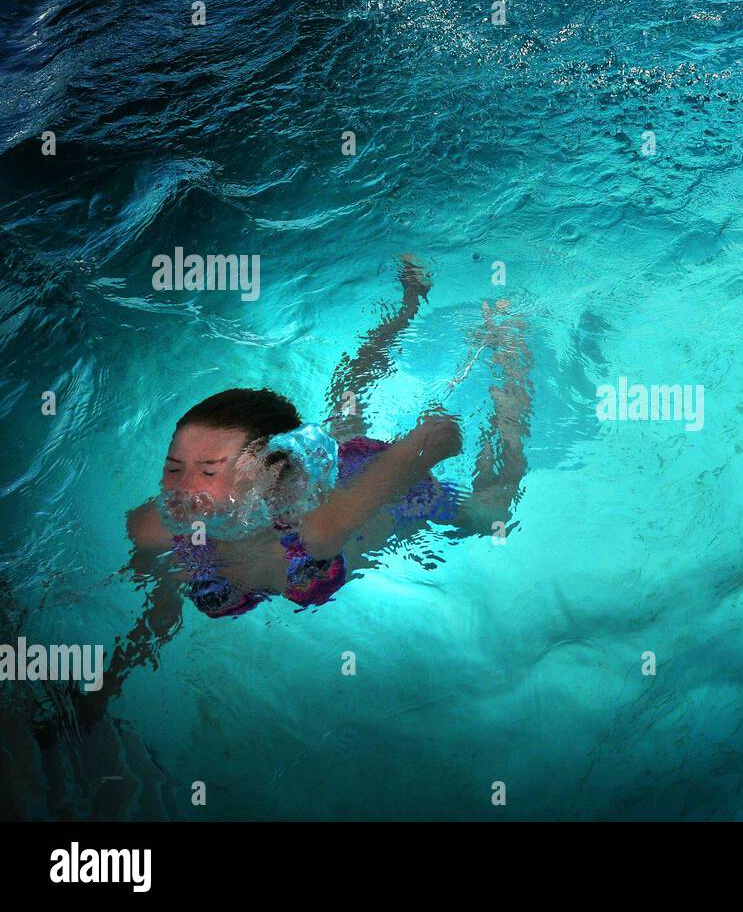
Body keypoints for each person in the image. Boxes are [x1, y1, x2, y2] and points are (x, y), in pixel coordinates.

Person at [71, 257, 532, 727]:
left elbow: (433, 442)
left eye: (209, 471)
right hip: (315, 479)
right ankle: (407, 305)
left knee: (489, 511)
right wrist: (109, 683)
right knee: (346, 405)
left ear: (271, 478)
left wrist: (431, 442)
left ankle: (510, 380)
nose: (185, 488)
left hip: (392, 496)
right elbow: (160, 603)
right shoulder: (162, 526)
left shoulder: (317, 531)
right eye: (173, 468)